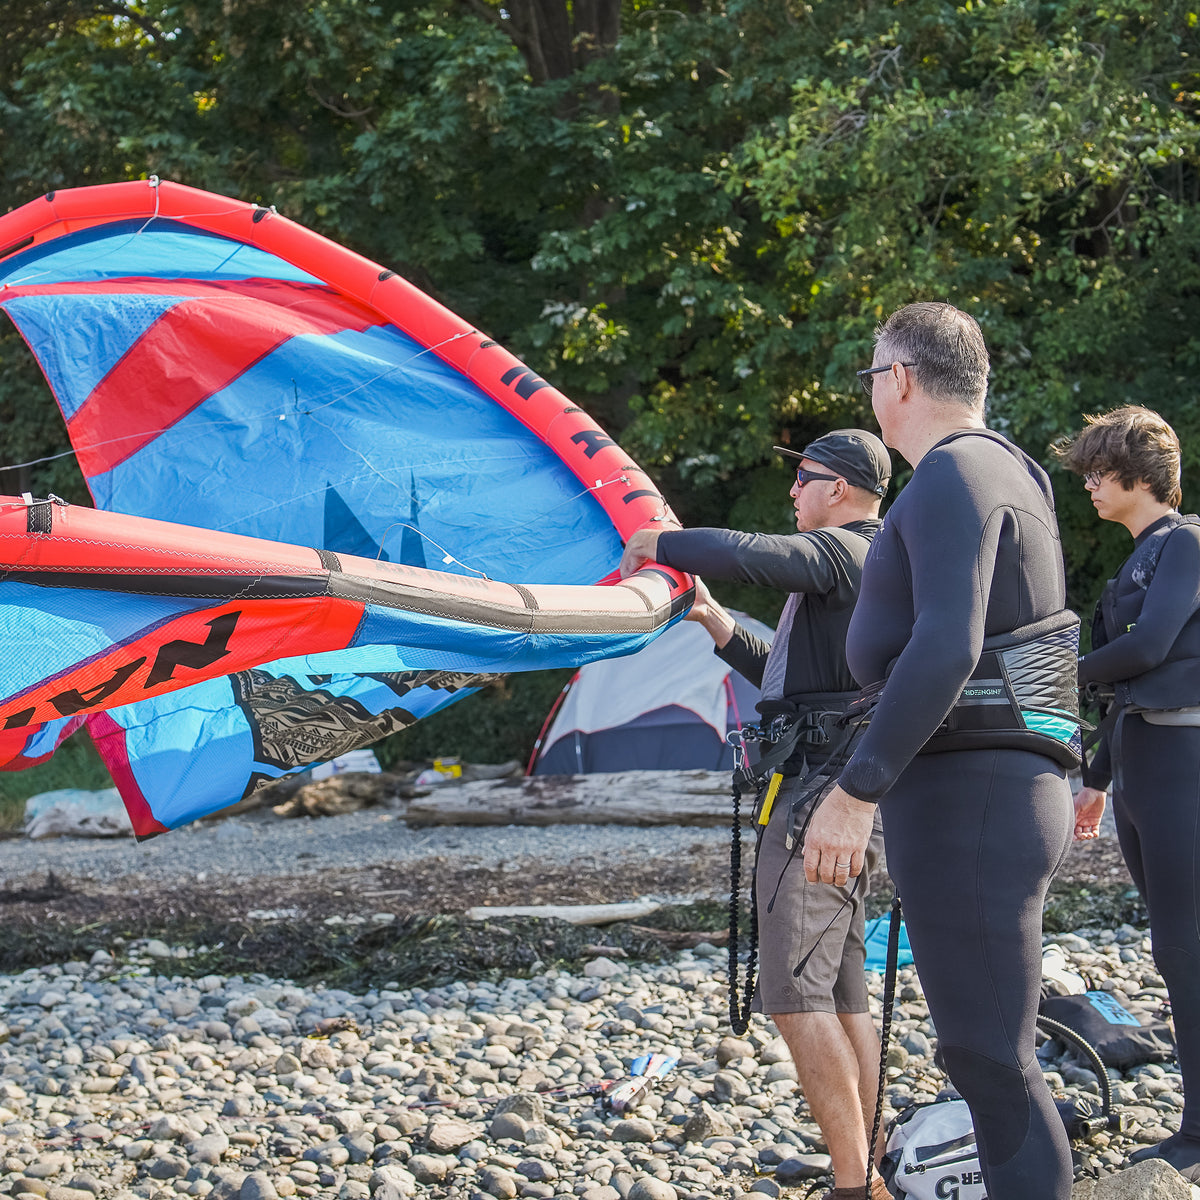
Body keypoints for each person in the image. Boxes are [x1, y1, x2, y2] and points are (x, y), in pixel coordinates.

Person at [804, 302, 1079, 1200]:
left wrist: (856, 791)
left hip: (976, 793)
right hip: (989, 788)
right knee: (986, 1052)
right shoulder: (1012, 471)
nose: (873, 390)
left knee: (991, 1058)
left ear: (903, 380)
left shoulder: (954, 474)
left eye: (873, 374)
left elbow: (946, 646)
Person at [620, 430, 892, 1200]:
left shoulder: (847, 552)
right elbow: (797, 684)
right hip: (844, 790)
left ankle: (855, 1184)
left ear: (838, 487)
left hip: (819, 800)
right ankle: (872, 1163)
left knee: (793, 995)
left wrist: (661, 541)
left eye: (803, 479)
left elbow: (751, 552)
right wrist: (714, 623)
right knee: (841, 992)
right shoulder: (868, 569)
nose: (793, 493)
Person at [1054, 405, 1200, 1181]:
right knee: (1173, 947)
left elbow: (1149, 647)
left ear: (1141, 475)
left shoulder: (1186, 543)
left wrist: (1055, 674)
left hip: (1185, 752)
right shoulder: (1132, 562)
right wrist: (1097, 781)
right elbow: (1125, 686)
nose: (1088, 486)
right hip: (1141, 752)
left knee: (1187, 944)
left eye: (1098, 472)